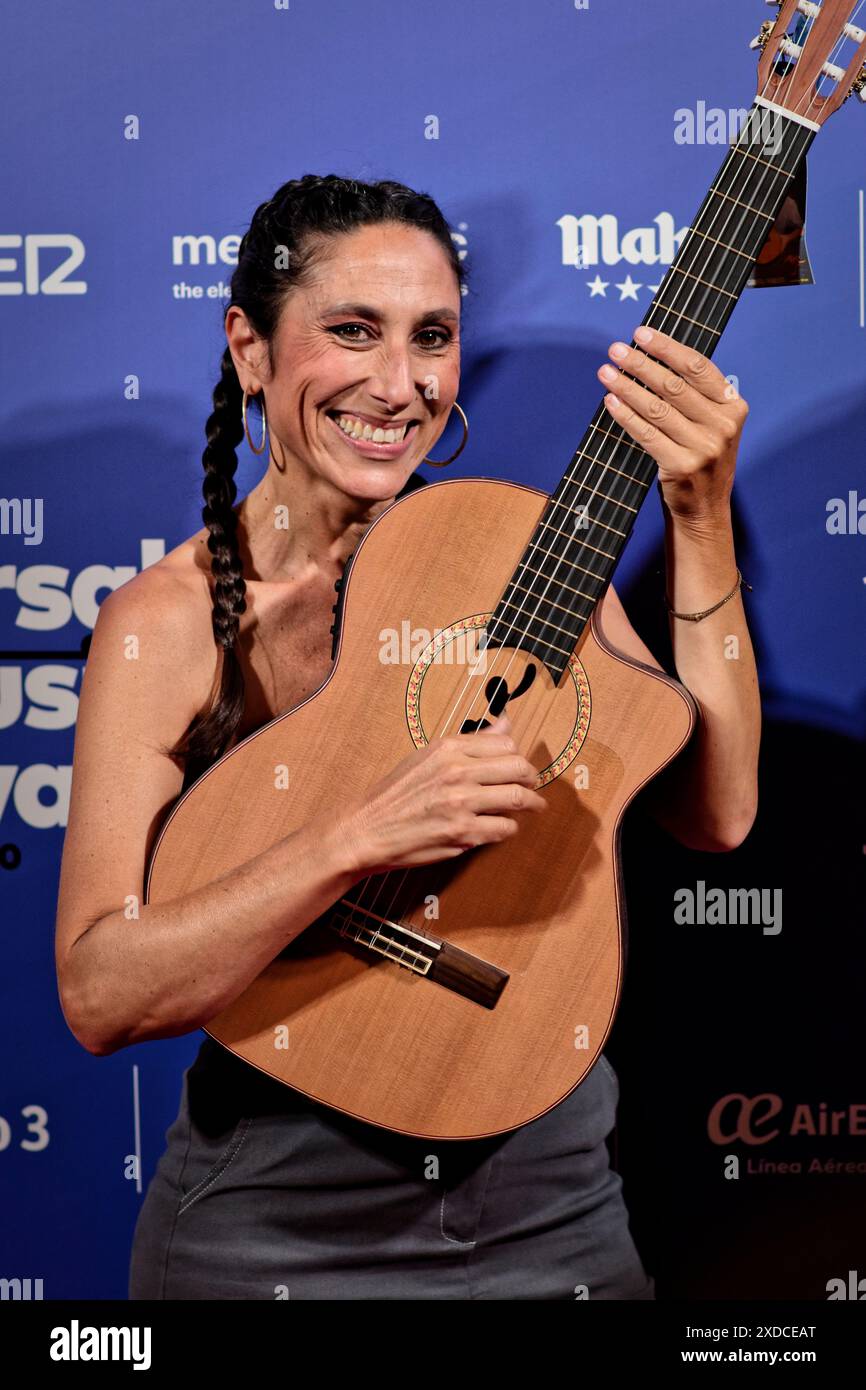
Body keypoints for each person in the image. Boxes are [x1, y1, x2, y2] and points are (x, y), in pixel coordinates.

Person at [54, 174, 760, 1300]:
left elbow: (715, 813)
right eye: (350, 331)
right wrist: (357, 834)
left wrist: (697, 516)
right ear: (249, 346)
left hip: (554, 1205)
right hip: (271, 1228)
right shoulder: (168, 623)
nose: (399, 383)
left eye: (430, 336)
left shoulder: (515, 551)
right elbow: (100, 992)